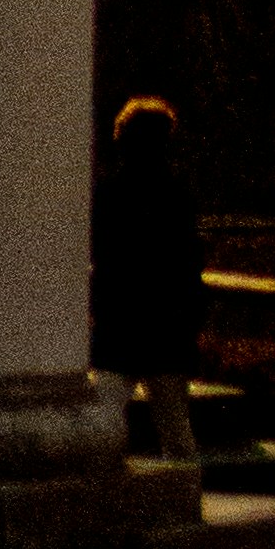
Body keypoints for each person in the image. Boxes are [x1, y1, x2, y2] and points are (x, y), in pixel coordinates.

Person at [92, 94, 202, 467]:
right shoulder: (178, 197)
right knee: (176, 433)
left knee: (103, 425)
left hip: (119, 324)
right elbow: (188, 265)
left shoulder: (106, 195)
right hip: (165, 328)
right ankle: (188, 500)